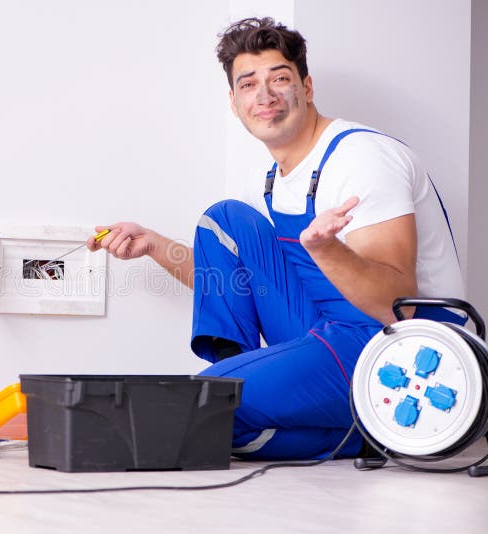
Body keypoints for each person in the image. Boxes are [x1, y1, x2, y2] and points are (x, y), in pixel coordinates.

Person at [87, 17, 464, 460]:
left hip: (397, 345)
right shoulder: (265, 181)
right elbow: (231, 280)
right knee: (221, 221)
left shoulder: (362, 159)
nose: (264, 96)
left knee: (202, 412)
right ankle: (249, 386)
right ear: (233, 102)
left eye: (279, 79)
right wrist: (153, 245)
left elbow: (394, 304)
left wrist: (326, 249)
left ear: (306, 88)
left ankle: (363, 429)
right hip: (326, 326)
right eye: (248, 84)